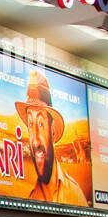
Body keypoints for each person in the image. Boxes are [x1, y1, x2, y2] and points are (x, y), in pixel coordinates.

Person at [18, 70, 87, 205]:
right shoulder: (31, 201)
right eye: (31, 124)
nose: (36, 139)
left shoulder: (75, 194)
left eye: (41, 124)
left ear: (53, 131)